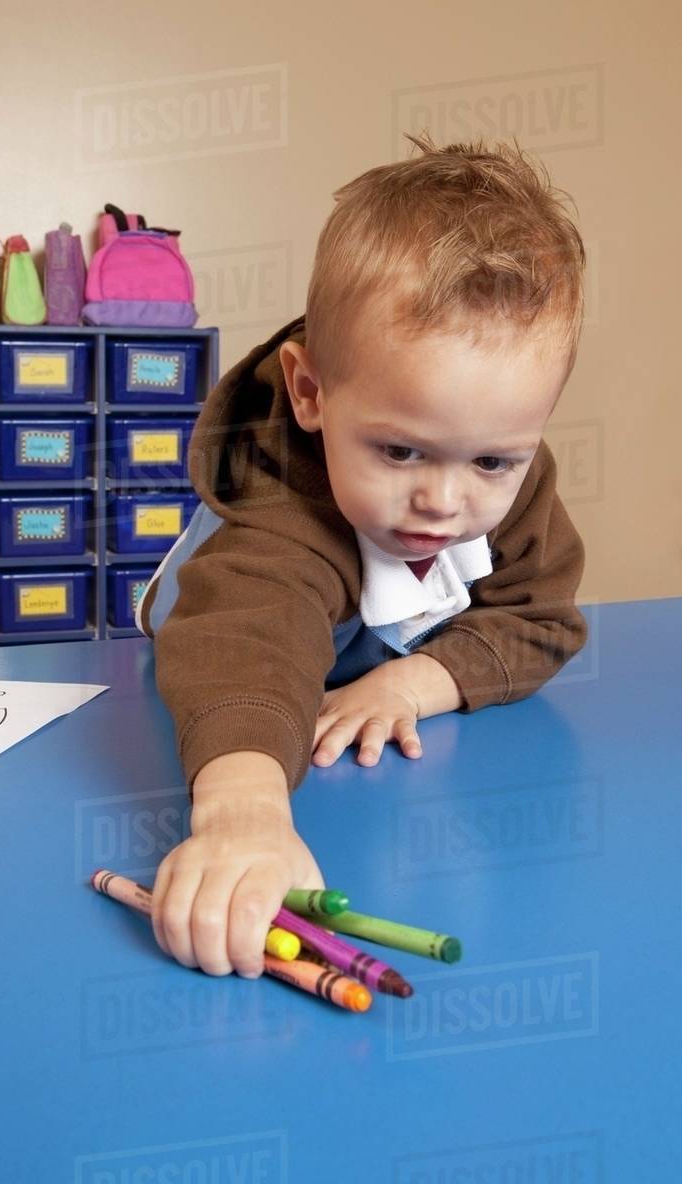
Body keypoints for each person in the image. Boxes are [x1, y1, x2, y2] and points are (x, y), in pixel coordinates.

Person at [136, 132, 588, 980]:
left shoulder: (512, 473)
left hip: (382, 638)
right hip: (223, 626)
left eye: (491, 461)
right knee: (239, 628)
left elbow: (544, 617)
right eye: (401, 452)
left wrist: (416, 682)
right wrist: (242, 812)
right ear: (310, 393)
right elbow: (250, 638)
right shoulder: (287, 512)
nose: (445, 501)